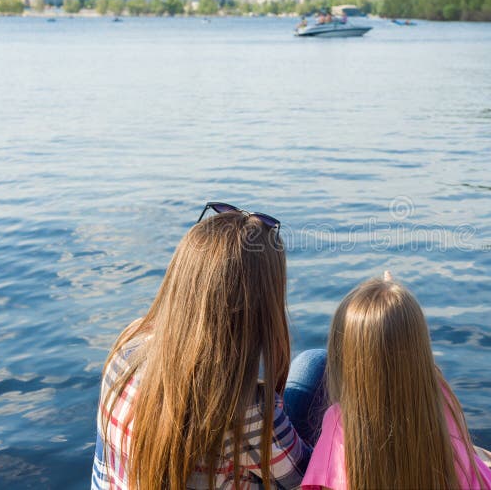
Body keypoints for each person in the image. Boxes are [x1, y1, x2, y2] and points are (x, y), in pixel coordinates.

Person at [91, 203, 320, 490]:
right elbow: (308, 478)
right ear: (259, 309)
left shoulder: (129, 344)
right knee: (316, 366)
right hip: (252, 433)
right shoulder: (244, 406)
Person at [302, 273, 491, 490]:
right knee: (477, 453)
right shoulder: (438, 397)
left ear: (341, 357)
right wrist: (397, 307)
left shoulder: (339, 421)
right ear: (420, 352)